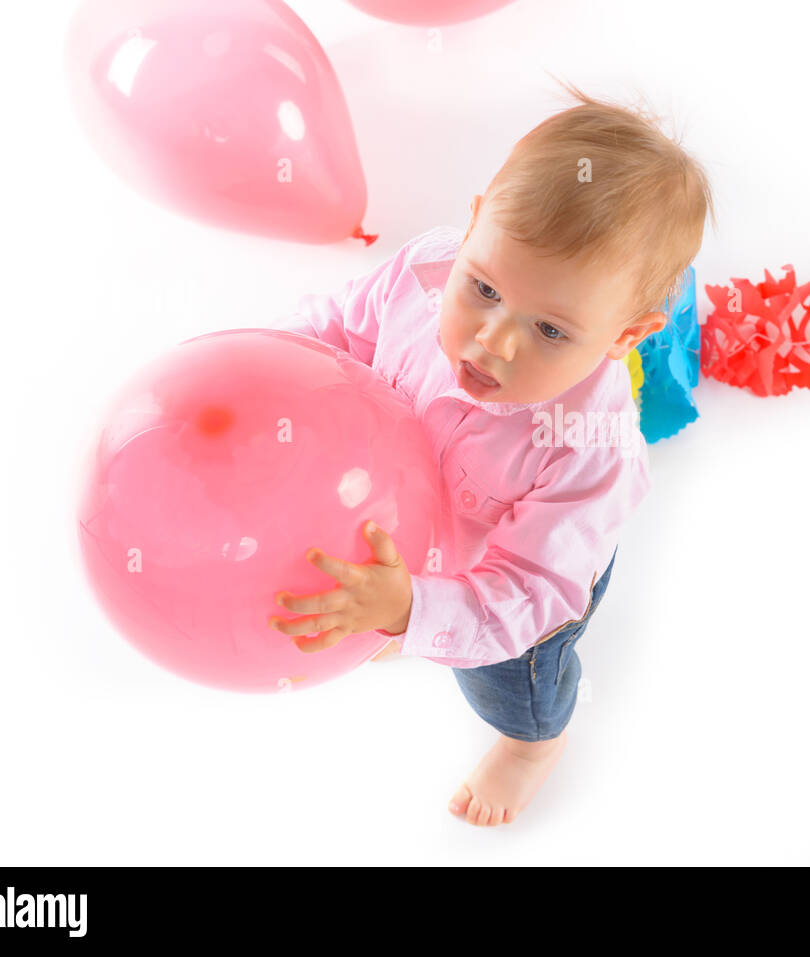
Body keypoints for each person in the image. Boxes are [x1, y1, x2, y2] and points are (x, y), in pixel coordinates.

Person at [270, 81, 713, 826]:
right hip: (417, 525)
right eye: (483, 287)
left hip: (521, 588)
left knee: (507, 680)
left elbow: (529, 588)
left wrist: (416, 606)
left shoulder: (587, 448)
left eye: (550, 332)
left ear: (623, 338)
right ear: (472, 226)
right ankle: (412, 612)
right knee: (411, 601)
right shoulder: (425, 271)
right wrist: (278, 361)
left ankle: (534, 743)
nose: (493, 341)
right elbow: (342, 329)